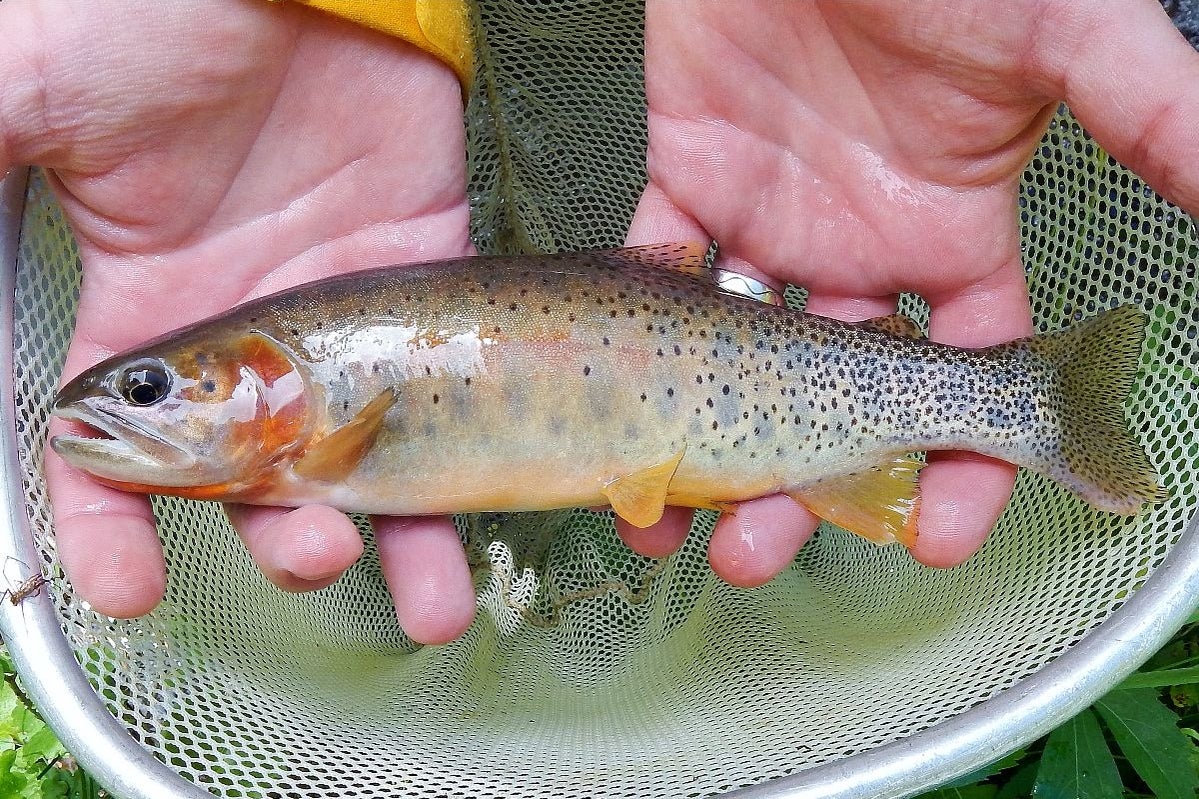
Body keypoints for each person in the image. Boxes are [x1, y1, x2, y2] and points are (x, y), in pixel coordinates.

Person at [2, 0, 1196, 646]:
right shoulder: (306, 432)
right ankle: (1020, 398)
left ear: (252, 375)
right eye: (149, 389)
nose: (126, 397)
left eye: (153, 387)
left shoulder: (316, 428)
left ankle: (1025, 399)